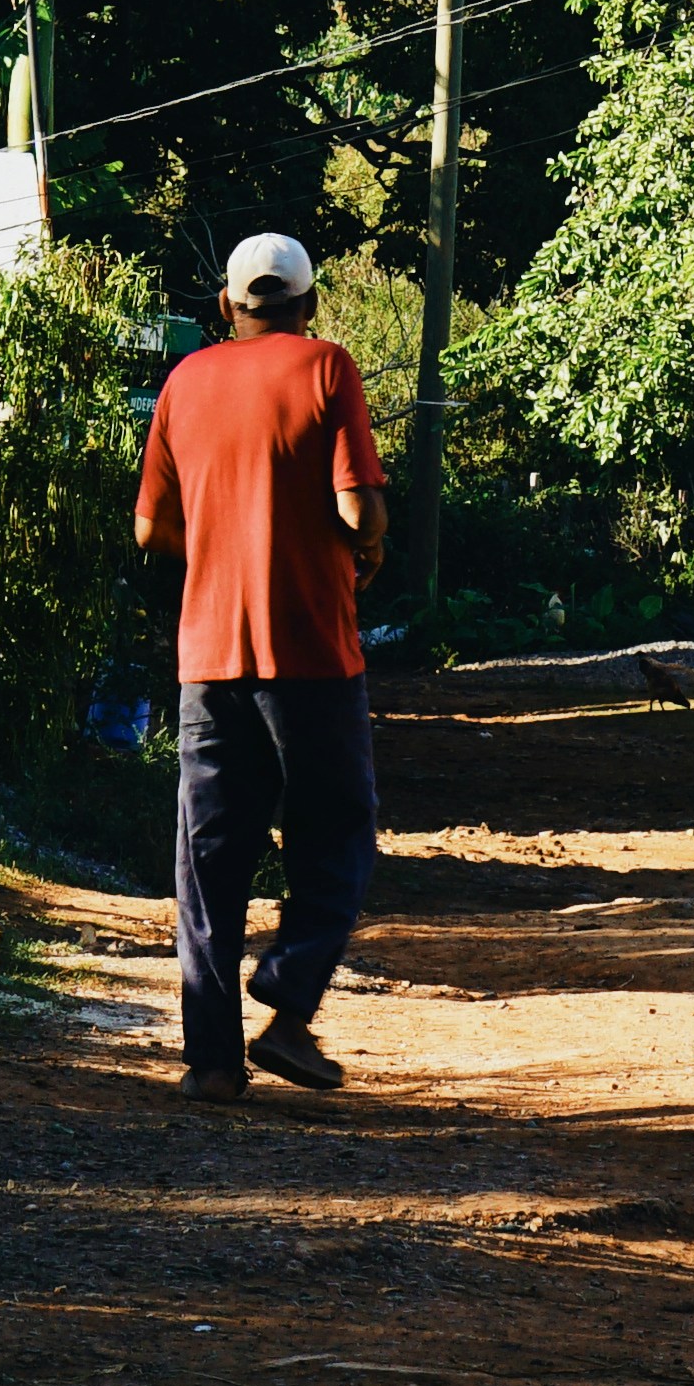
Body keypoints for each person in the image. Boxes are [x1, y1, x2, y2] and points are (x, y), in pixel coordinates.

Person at [133, 228, 387, 1099]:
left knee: (208, 860)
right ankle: (287, 1002)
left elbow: (149, 529)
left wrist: (215, 541)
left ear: (226, 307)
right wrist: (369, 543)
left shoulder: (186, 379)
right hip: (312, 652)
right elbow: (358, 507)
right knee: (337, 830)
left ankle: (211, 1063)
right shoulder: (327, 367)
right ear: (308, 304)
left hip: (207, 658)